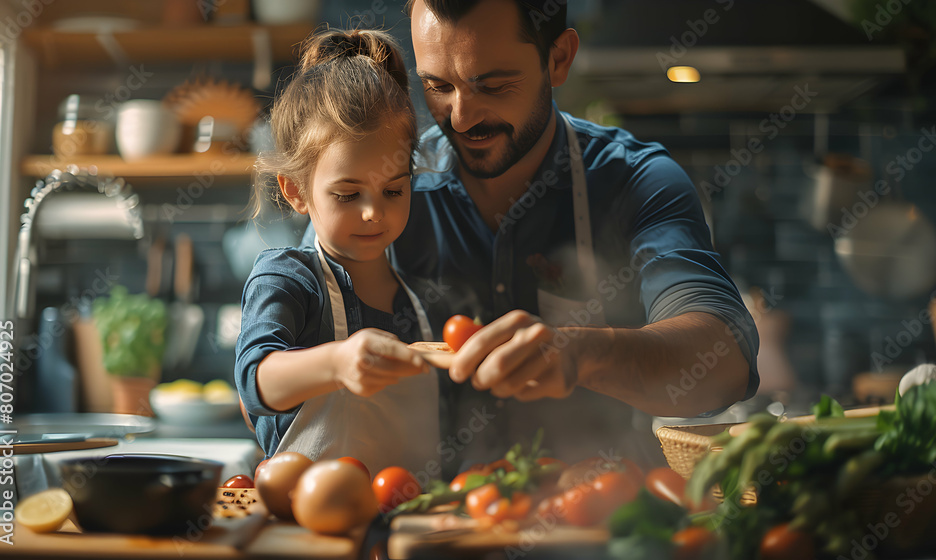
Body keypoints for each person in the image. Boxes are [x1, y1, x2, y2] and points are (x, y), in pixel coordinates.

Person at [305, 0, 761, 469]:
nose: (460, 118)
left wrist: (581, 353)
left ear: (558, 58)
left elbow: (725, 360)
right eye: (438, 86)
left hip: (597, 502)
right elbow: (289, 358)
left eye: (493, 85)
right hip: (418, 508)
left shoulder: (636, 182)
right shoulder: (379, 187)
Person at [235, 28, 443, 476]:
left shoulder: (421, 296)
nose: (374, 213)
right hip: (304, 515)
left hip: (411, 511)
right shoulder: (288, 278)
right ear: (296, 191)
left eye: (393, 190)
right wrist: (338, 361)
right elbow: (255, 380)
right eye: (348, 195)